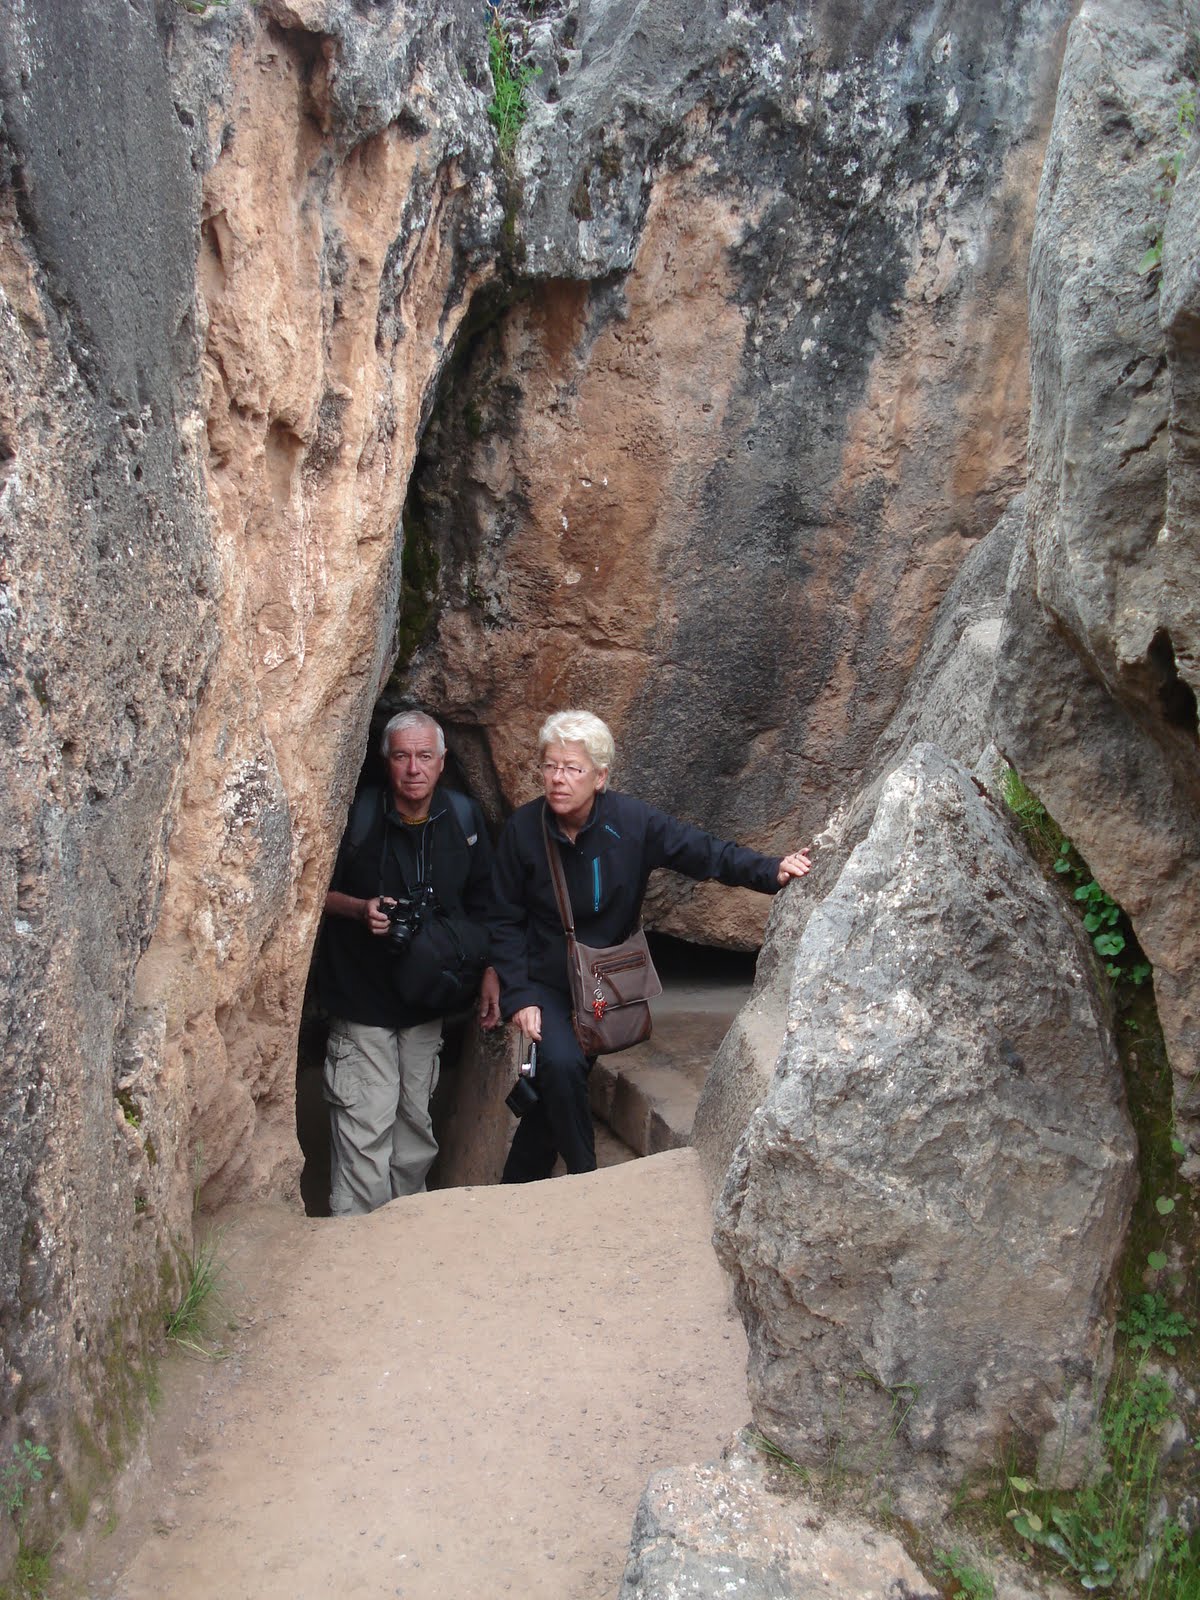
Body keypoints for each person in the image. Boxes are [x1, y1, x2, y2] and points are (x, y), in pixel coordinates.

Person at [488, 709, 813, 1182]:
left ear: (599, 777)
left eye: (572, 769)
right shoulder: (523, 830)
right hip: (547, 983)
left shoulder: (632, 823)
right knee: (559, 1065)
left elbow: (702, 851)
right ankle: (586, 1176)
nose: (558, 779)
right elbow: (503, 918)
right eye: (550, 766)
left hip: (604, 986)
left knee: (559, 1082)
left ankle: (515, 1187)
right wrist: (519, 995)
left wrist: (770, 870)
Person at [318, 710, 501, 1215]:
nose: (413, 768)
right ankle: (356, 1246)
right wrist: (360, 909)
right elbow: (307, 894)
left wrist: (489, 972)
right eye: (402, 756)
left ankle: (407, 1234)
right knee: (365, 1122)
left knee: (415, 1124)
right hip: (362, 997)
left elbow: (489, 904)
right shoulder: (356, 817)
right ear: (386, 762)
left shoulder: (463, 821)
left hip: (428, 1002)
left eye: (424, 756)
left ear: (442, 763)